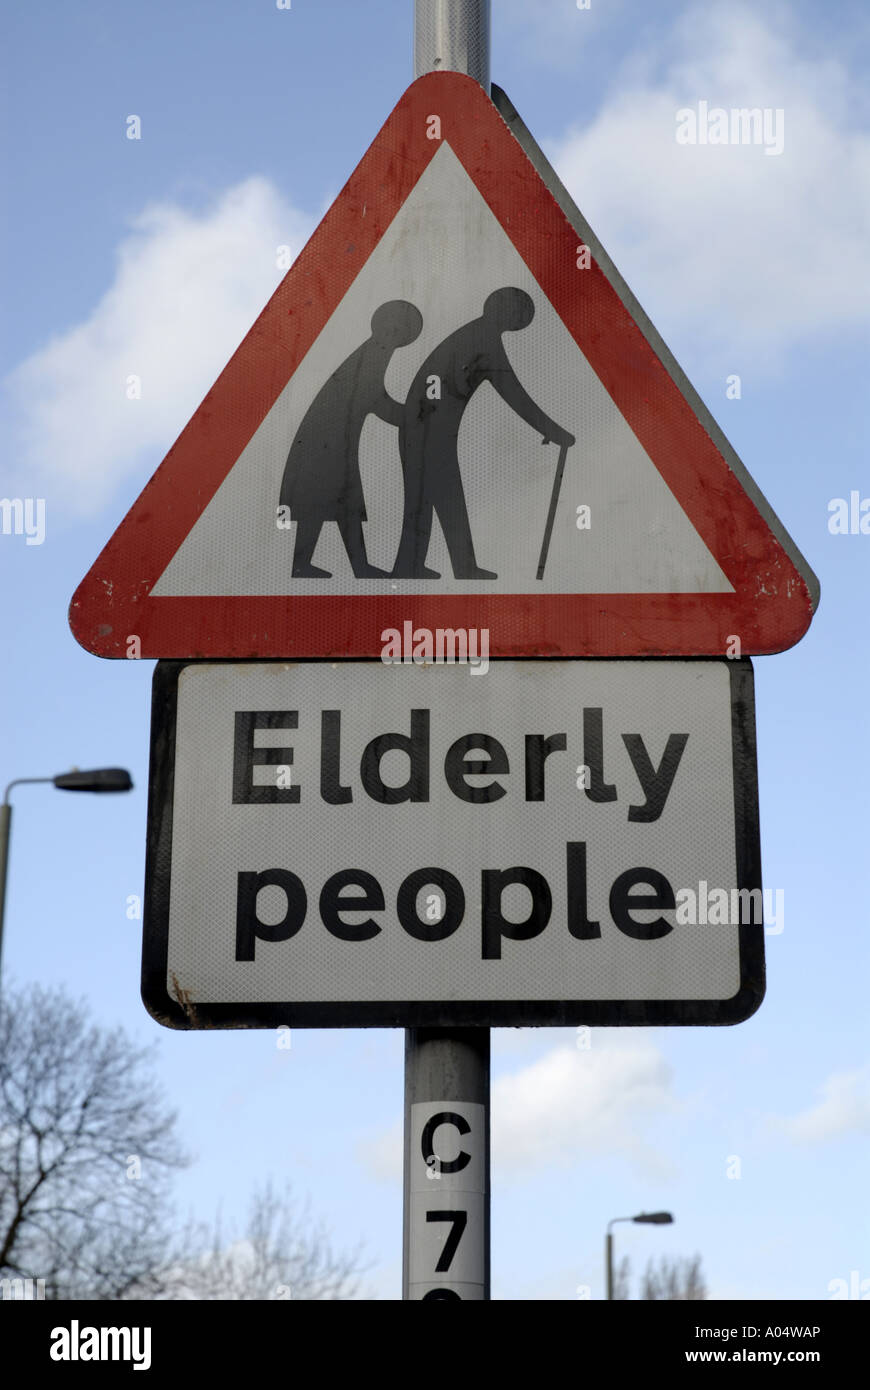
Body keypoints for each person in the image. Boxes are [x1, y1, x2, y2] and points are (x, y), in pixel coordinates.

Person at [391, 286, 575, 580]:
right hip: (428, 431)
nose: (522, 320)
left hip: (425, 429)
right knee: (439, 498)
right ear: (507, 312)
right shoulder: (484, 342)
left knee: (429, 499)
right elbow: (514, 395)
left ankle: (416, 566)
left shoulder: (476, 335)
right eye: (520, 314)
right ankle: (448, 567)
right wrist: (556, 432)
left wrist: (553, 432)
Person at [280, 300, 423, 577]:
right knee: (337, 498)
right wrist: (411, 416)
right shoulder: (374, 353)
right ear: (381, 326)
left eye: (402, 332)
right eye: (394, 329)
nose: (396, 335)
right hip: (327, 441)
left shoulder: (373, 351)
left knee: (330, 501)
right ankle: (345, 566)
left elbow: (369, 397)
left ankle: (325, 565)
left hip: (329, 439)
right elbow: (374, 398)